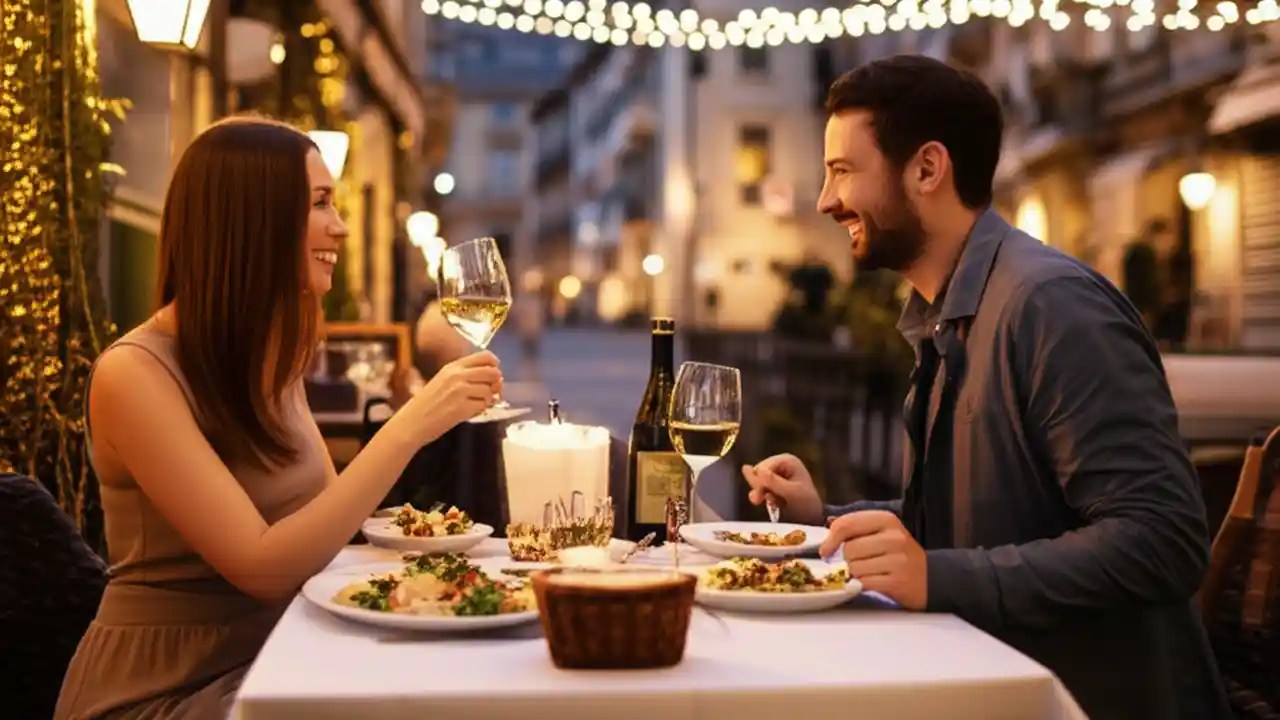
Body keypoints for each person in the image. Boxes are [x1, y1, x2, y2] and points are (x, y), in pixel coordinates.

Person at [741, 55, 1229, 720]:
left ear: (927, 168)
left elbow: (1161, 540)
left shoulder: (1050, 306)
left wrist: (935, 576)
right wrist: (822, 524)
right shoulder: (953, 310)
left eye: (843, 170)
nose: (826, 200)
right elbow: (967, 526)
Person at [55, 117, 502, 720]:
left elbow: (322, 524)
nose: (340, 228)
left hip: (283, 657)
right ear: (251, 219)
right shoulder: (133, 375)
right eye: (320, 203)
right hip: (163, 692)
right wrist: (410, 425)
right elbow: (264, 567)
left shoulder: (273, 356)